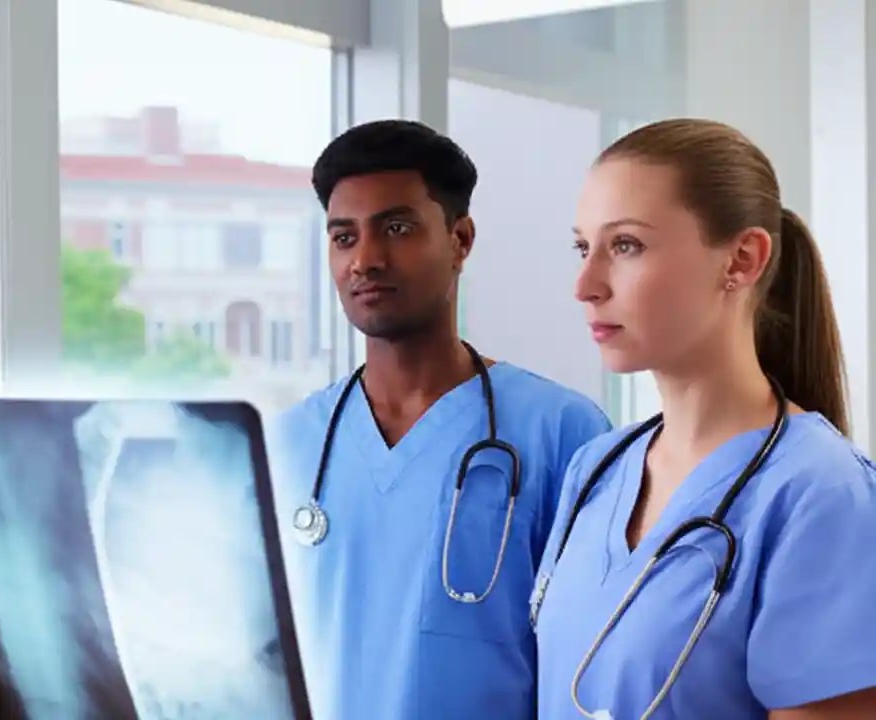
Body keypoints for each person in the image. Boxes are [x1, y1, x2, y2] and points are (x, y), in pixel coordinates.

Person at [532, 118, 876, 719]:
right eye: (582, 248)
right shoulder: (596, 469)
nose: (585, 285)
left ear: (741, 260)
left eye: (626, 246)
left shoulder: (822, 495)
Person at [268, 119, 611, 719]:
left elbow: (590, 661)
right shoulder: (291, 442)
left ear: (460, 239)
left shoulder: (562, 432)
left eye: (396, 228)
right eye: (343, 237)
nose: (366, 260)